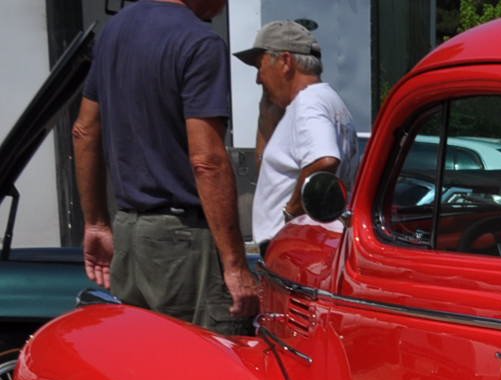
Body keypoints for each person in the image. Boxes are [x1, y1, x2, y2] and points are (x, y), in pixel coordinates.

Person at [71, 0, 259, 335]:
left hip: (129, 233)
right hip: (183, 241)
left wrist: (96, 222)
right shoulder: (200, 42)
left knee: (144, 365)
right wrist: (234, 264)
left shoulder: (114, 32)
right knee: (212, 366)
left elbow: (84, 132)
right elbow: (207, 161)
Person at [238, 20, 356, 255]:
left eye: (259, 67)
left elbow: (325, 160)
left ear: (285, 62)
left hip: (292, 246)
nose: (258, 79)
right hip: (305, 243)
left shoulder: (308, 104)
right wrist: (265, 112)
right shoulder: (328, 101)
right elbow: (269, 169)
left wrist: (291, 214)